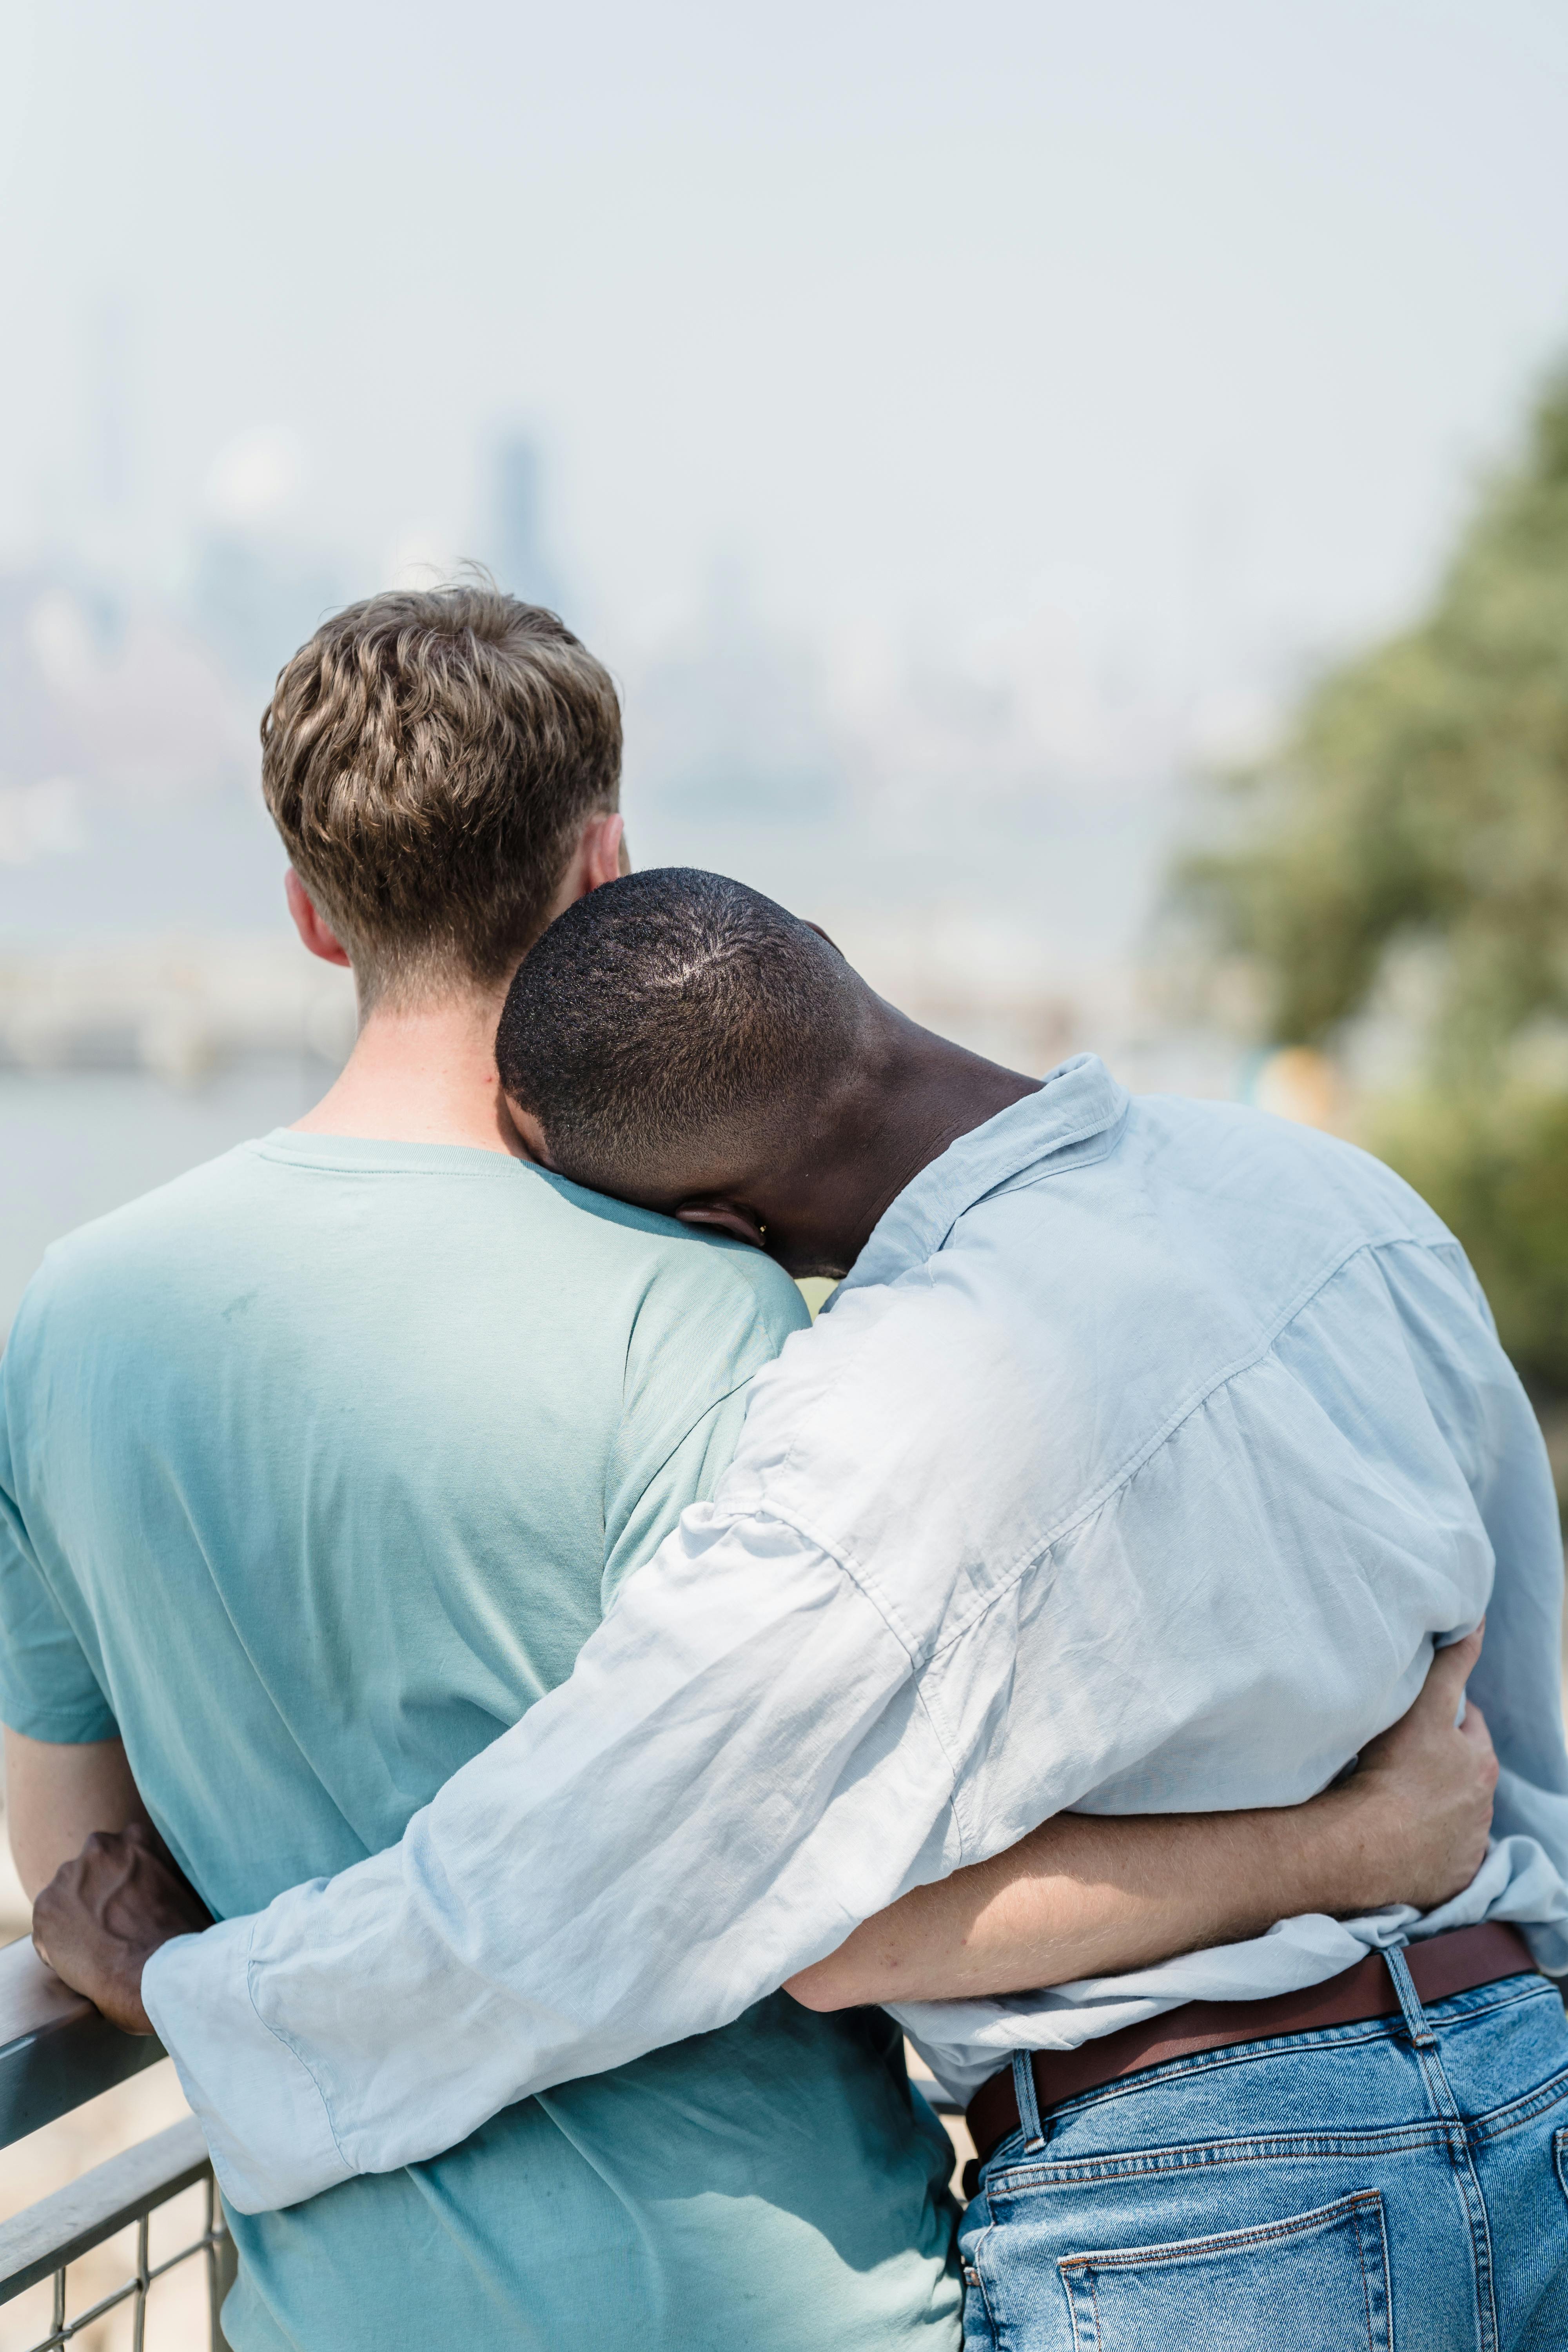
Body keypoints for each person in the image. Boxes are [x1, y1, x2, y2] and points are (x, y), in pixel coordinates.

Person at [0, 595, 1473, 2352]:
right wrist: (1354, 1842)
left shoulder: (71, 1318)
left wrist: (181, 1965)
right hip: (790, 2302)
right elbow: (835, 1896)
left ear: (310, 915)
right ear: (604, 865)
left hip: (342, 2308)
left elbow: (77, 1861)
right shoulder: (716, 1310)